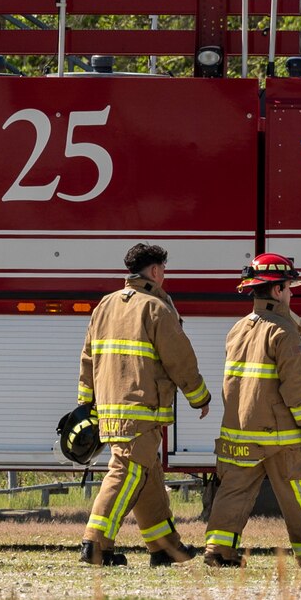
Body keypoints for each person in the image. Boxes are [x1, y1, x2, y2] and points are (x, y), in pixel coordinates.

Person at [203, 254, 301, 568]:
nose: (292, 293)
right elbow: (294, 386)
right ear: (278, 290)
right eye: (289, 288)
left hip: (240, 432)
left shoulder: (238, 328)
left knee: (234, 490)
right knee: (296, 489)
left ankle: (218, 550)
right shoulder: (283, 331)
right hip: (279, 434)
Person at [77, 243, 211, 567]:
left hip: (111, 411)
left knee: (147, 475)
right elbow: (180, 359)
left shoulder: (105, 305)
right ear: (153, 271)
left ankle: (165, 548)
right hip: (142, 411)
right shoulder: (156, 308)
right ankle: (95, 545)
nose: (164, 275)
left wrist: (86, 404)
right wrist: (199, 396)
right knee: (125, 472)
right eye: (163, 269)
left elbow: (87, 358)